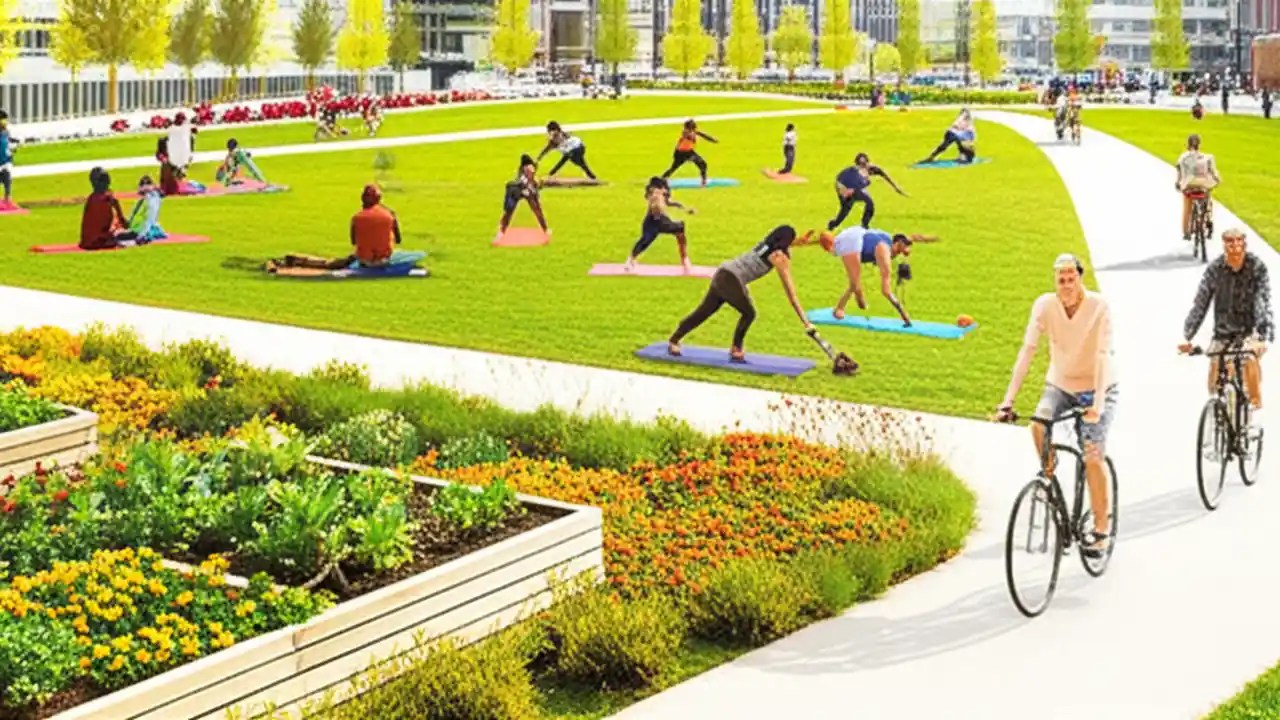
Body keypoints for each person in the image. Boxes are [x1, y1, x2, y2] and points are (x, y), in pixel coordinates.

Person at [994, 253, 1117, 558]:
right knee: (1037, 424)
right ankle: (1049, 476)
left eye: (1071, 279)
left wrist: (1098, 405)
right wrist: (1007, 401)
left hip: (1097, 388)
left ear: (1080, 278)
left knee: (1091, 454)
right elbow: (1028, 350)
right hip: (1061, 384)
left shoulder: (1098, 306)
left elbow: (1102, 355)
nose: (1065, 285)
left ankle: (1101, 530)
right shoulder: (1045, 305)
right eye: (1060, 280)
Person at [667, 225, 815, 362]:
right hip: (732, 280)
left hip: (723, 273)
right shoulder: (778, 258)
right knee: (749, 313)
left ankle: (674, 339)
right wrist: (806, 322)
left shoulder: (765, 244)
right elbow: (791, 293)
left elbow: (787, 244)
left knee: (703, 312)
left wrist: (806, 242)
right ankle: (736, 347)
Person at [1178, 228, 1273, 429]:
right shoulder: (1215, 270)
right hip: (1222, 332)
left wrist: (1261, 336)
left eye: (1239, 243)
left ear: (1245, 245)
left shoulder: (1256, 267)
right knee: (1216, 375)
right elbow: (1201, 302)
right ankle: (1218, 415)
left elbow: (1262, 302)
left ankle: (1255, 409)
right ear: (1224, 246)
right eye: (1230, 243)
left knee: (1248, 360)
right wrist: (1188, 335)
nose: (1235, 248)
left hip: (1248, 331)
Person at [267, 185, 417, 273]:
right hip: (385, 259)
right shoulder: (390, 215)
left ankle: (297, 260)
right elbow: (398, 239)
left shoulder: (357, 218)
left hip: (365, 261)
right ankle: (296, 260)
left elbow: (354, 241)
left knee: (331, 264)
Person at [809, 226, 937, 327]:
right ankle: (839, 309)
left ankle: (854, 302)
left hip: (855, 234)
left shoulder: (890, 239)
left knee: (856, 285)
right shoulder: (884, 252)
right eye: (898, 252)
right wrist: (904, 315)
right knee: (855, 284)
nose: (896, 256)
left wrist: (928, 238)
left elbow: (910, 238)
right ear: (896, 244)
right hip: (851, 243)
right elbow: (886, 291)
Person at [625, 176, 696, 272]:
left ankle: (685, 259)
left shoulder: (661, 193)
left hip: (660, 220)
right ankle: (630, 260)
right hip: (652, 220)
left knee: (679, 229)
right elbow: (655, 204)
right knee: (645, 241)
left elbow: (669, 202)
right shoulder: (654, 193)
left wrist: (685, 209)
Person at [827, 153, 907, 231]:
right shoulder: (851, 173)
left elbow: (884, 175)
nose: (863, 167)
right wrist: (843, 193)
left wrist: (896, 188)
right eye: (861, 165)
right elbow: (839, 182)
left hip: (855, 189)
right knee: (846, 209)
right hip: (845, 189)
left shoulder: (871, 169)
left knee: (869, 202)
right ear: (856, 165)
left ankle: (864, 225)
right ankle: (833, 224)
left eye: (865, 164)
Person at [1176, 133, 1221, 241]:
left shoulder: (1183, 157)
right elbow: (1213, 172)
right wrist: (1217, 179)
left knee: (1187, 207)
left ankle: (1186, 231)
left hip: (1188, 185)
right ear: (1199, 145)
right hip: (1203, 184)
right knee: (1207, 195)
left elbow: (1179, 171)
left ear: (1188, 145)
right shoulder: (1207, 157)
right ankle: (1208, 218)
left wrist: (1178, 183)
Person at [80, 168, 138, 250]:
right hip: (101, 240)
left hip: (88, 241)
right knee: (132, 236)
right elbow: (116, 222)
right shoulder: (107, 200)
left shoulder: (92, 198)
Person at [497, 154, 549, 239]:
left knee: (510, 211)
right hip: (524, 189)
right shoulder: (529, 169)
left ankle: (502, 231)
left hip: (521, 189)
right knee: (537, 210)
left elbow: (528, 179)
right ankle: (545, 230)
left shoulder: (523, 169)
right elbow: (529, 180)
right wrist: (535, 186)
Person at [660, 119, 718, 186]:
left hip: (688, 152)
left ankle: (704, 181)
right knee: (674, 168)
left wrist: (713, 140)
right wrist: (694, 133)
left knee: (702, 164)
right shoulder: (686, 132)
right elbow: (688, 135)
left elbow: (704, 135)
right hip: (681, 153)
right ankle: (662, 179)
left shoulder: (693, 132)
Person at [124, 176, 168, 243]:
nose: (145, 186)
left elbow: (149, 219)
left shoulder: (152, 200)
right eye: (143, 183)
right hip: (136, 229)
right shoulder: (141, 201)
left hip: (141, 231)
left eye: (147, 183)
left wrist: (142, 235)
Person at [0, 109, 16, 210]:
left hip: (5, 162)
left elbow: (7, 145)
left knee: (7, 179)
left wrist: (11, 154)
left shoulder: (6, 132)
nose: (5, 122)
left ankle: (7, 200)